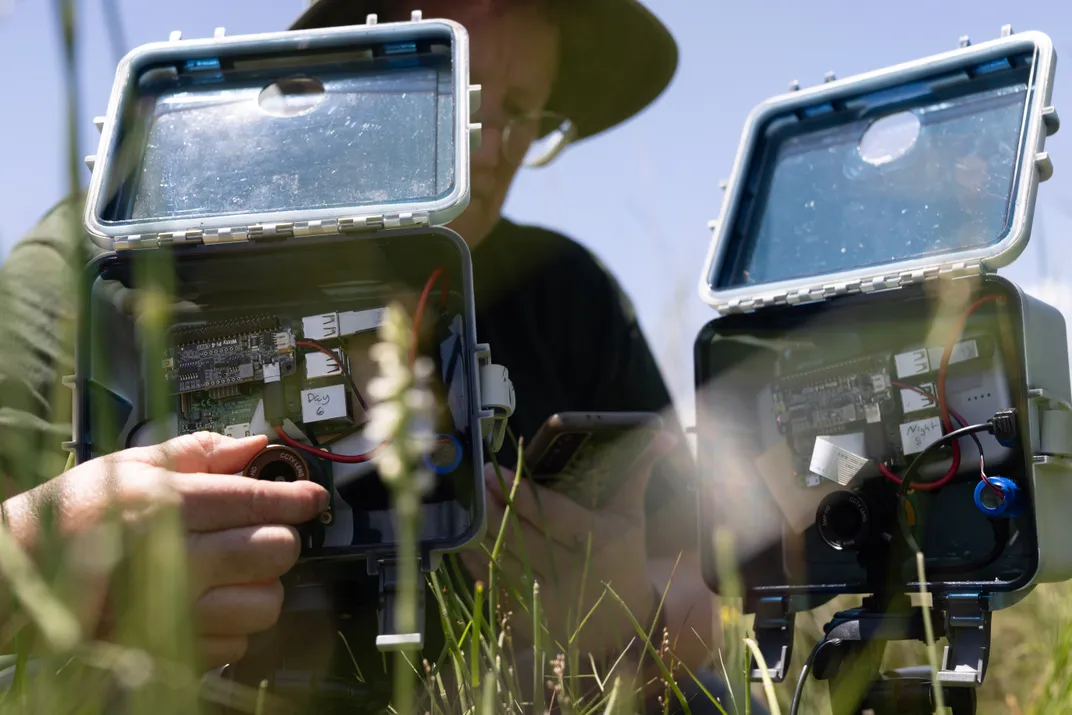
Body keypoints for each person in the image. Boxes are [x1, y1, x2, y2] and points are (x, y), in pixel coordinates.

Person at [0, 0, 767, 712]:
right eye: (455, 98)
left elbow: (716, 607)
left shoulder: (566, 296)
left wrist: (625, 605)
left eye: (522, 111)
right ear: (349, 78)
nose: (493, 147)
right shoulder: (100, 265)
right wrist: (52, 554)